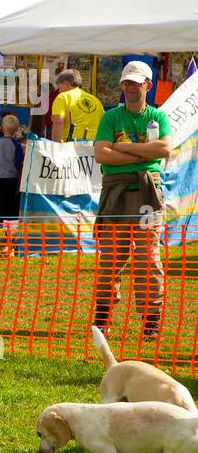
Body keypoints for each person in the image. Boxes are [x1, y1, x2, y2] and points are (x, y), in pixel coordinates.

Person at [92, 60, 173, 340]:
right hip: (114, 192)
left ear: (147, 86)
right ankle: (102, 318)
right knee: (111, 258)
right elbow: (101, 154)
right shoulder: (110, 117)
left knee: (148, 258)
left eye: (136, 84)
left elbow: (164, 148)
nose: (130, 88)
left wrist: (123, 148)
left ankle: (151, 320)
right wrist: (143, 154)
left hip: (148, 191)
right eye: (126, 83)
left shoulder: (158, 116)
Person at [49, 68, 104, 143]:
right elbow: (104, 121)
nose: (59, 91)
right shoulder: (95, 100)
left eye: (59, 87)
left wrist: (55, 146)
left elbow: (58, 121)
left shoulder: (63, 97)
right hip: (96, 144)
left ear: (66, 84)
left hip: (72, 146)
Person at [0, 114, 24, 220]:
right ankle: (8, 224)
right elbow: (18, 162)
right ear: (16, 129)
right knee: (10, 202)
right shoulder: (16, 144)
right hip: (11, 177)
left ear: (2, 127)